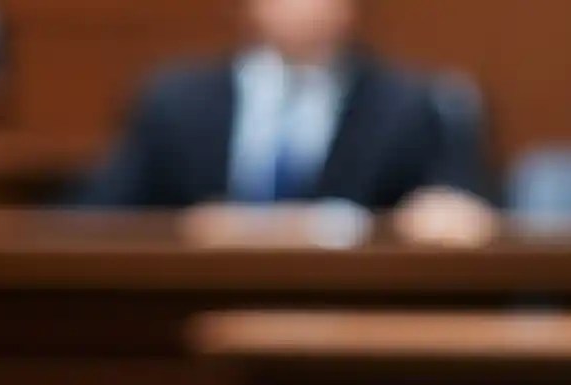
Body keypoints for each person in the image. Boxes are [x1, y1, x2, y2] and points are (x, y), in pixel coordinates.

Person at [75, 0, 494, 230]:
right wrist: (185, 226)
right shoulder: (175, 101)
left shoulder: (413, 104)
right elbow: (100, 217)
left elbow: (461, 211)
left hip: (350, 311)